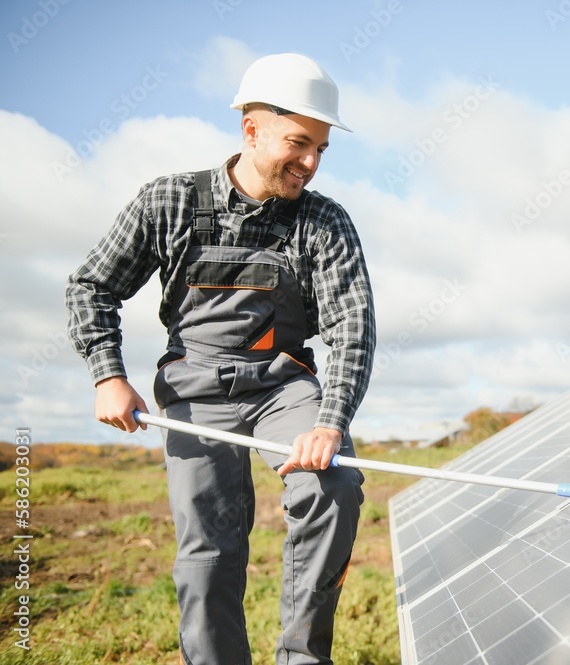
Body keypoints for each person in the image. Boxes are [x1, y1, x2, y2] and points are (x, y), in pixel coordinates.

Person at [65, 53, 375, 664]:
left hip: (283, 385)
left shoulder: (324, 222)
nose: (311, 163)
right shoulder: (169, 200)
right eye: (298, 143)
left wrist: (329, 423)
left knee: (334, 485)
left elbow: (352, 327)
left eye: (320, 149)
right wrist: (108, 374)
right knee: (208, 552)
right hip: (194, 389)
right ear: (250, 129)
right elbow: (91, 286)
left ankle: (301, 657)